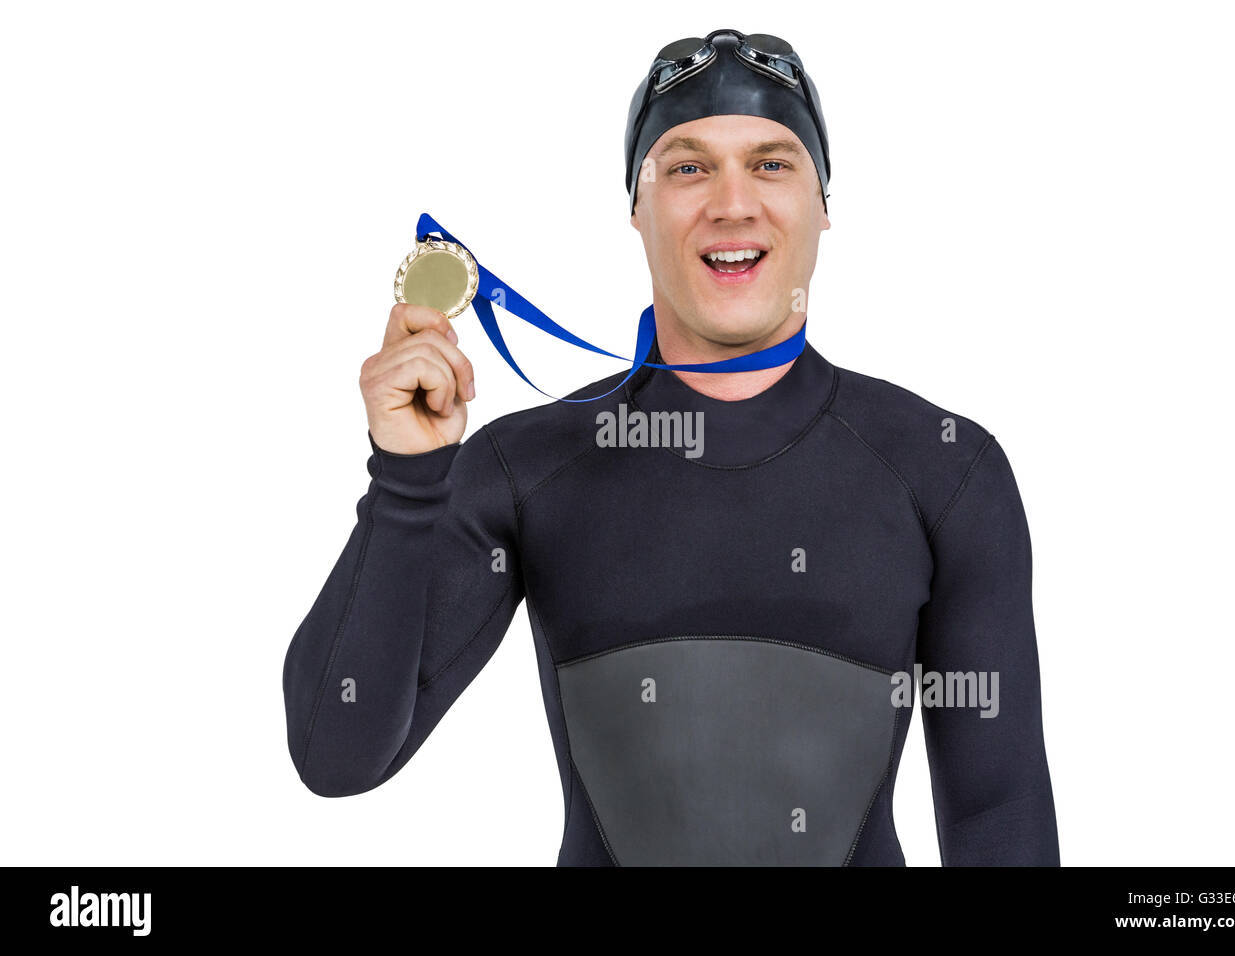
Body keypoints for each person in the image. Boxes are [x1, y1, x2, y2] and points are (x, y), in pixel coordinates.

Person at [282, 28, 1060, 866]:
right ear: (636, 207)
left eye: (772, 162)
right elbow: (337, 753)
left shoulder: (943, 470)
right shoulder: (529, 468)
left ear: (824, 205)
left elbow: (998, 811)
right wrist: (408, 478)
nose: (733, 202)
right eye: (687, 167)